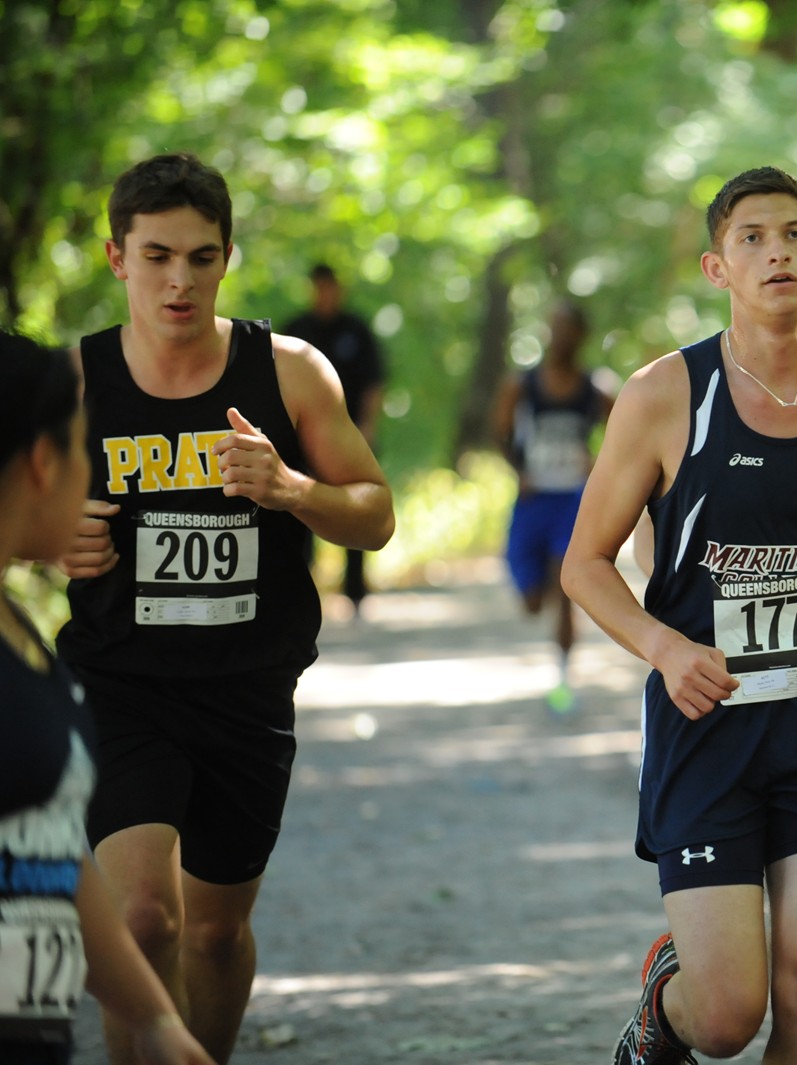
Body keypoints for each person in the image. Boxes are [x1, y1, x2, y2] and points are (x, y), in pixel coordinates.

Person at [561, 166, 797, 1065]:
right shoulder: (661, 397)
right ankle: (665, 1010)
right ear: (716, 268)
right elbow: (584, 564)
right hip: (707, 729)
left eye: (794, 235)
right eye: (752, 237)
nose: (776, 252)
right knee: (728, 1016)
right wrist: (662, 646)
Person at [54, 152, 396, 1065]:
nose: (179, 280)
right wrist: (44, 544)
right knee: (143, 915)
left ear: (227, 256)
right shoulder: (73, 384)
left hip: (248, 688)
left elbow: (375, 513)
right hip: (119, 682)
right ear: (116, 257)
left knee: (210, 932)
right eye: (157, 255)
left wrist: (290, 488)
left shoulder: (288, 371)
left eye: (201, 257)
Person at [0, 331, 215, 1065]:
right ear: (42, 460)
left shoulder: (18, 625)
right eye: (84, 448)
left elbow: (50, 850)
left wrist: (155, 1019)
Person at [491, 298, 613, 709]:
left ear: (581, 335)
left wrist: (600, 461)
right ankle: (538, 574)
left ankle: (563, 674)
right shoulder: (521, 384)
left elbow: (625, 436)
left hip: (573, 500)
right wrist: (518, 470)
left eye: (566, 328)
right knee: (531, 601)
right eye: (552, 327)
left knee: (567, 584)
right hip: (534, 497)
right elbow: (500, 434)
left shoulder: (597, 387)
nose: (558, 336)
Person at [283, 263, 387, 617]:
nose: (325, 293)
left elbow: (375, 383)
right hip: (301, 440)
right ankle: (301, 589)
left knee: (354, 505)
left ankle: (356, 594)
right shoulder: (296, 332)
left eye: (331, 287)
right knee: (302, 510)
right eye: (319, 287)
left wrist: (369, 427)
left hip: (349, 435)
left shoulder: (356, 330)